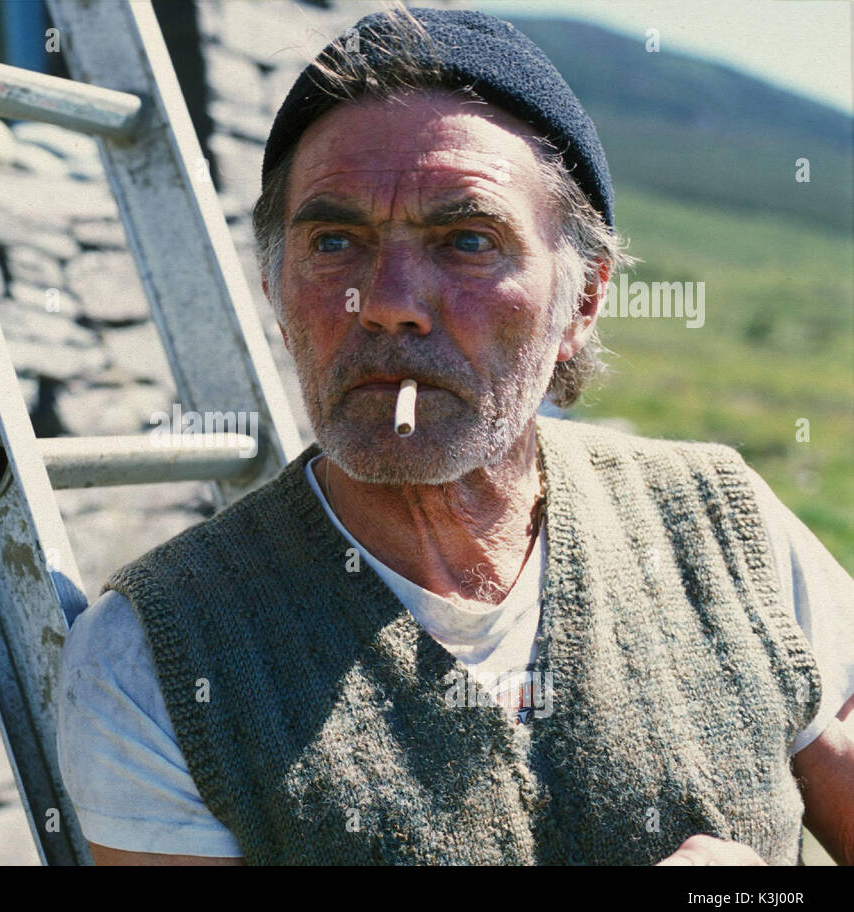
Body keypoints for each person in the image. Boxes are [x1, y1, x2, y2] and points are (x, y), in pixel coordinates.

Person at [57, 6, 854, 865]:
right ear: (275, 287)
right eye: (334, 240)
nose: (391, 301)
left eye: (467, 239)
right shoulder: (158, 658)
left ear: (582, 300)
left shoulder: (722, 527)